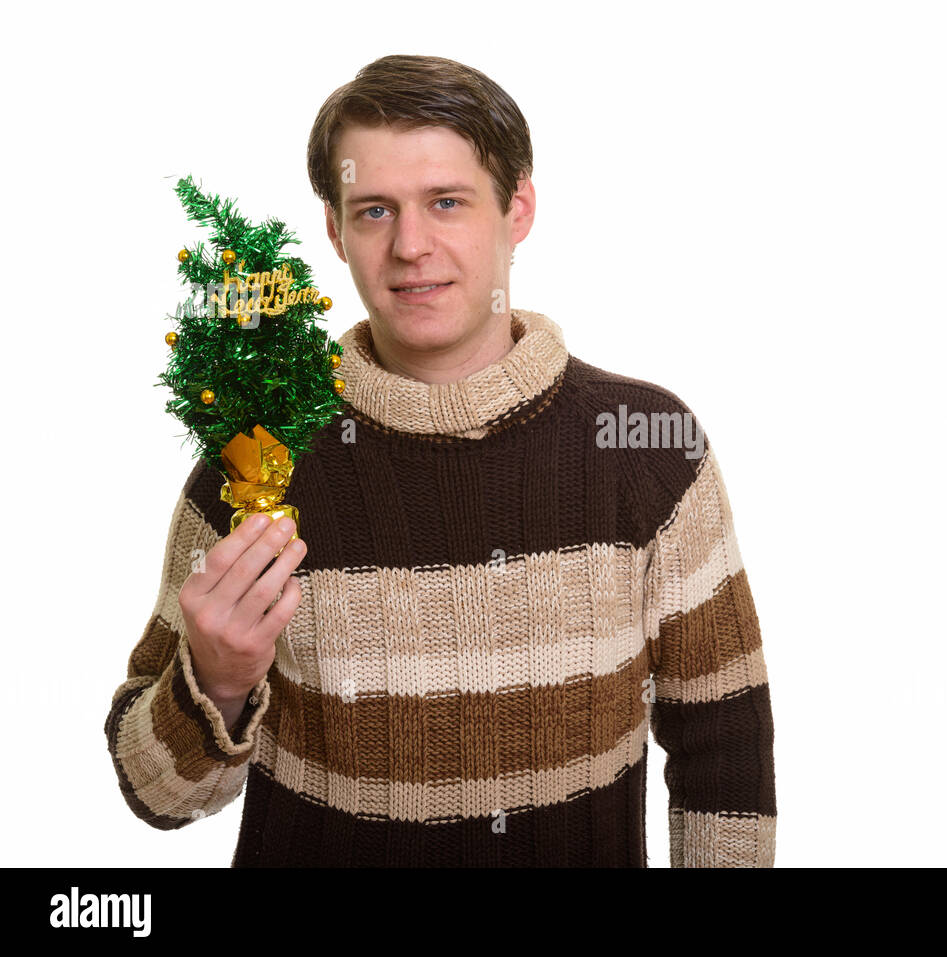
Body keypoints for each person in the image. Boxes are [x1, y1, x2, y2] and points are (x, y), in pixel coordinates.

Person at [105, 54, 776, 867]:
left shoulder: (647, 443)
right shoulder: (259, 462)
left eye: (446, 203)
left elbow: (725, 748)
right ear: (335, 229)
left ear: (518, 207)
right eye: (375, 210)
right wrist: (214, 684)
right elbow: (154, 795)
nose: (410, 247)